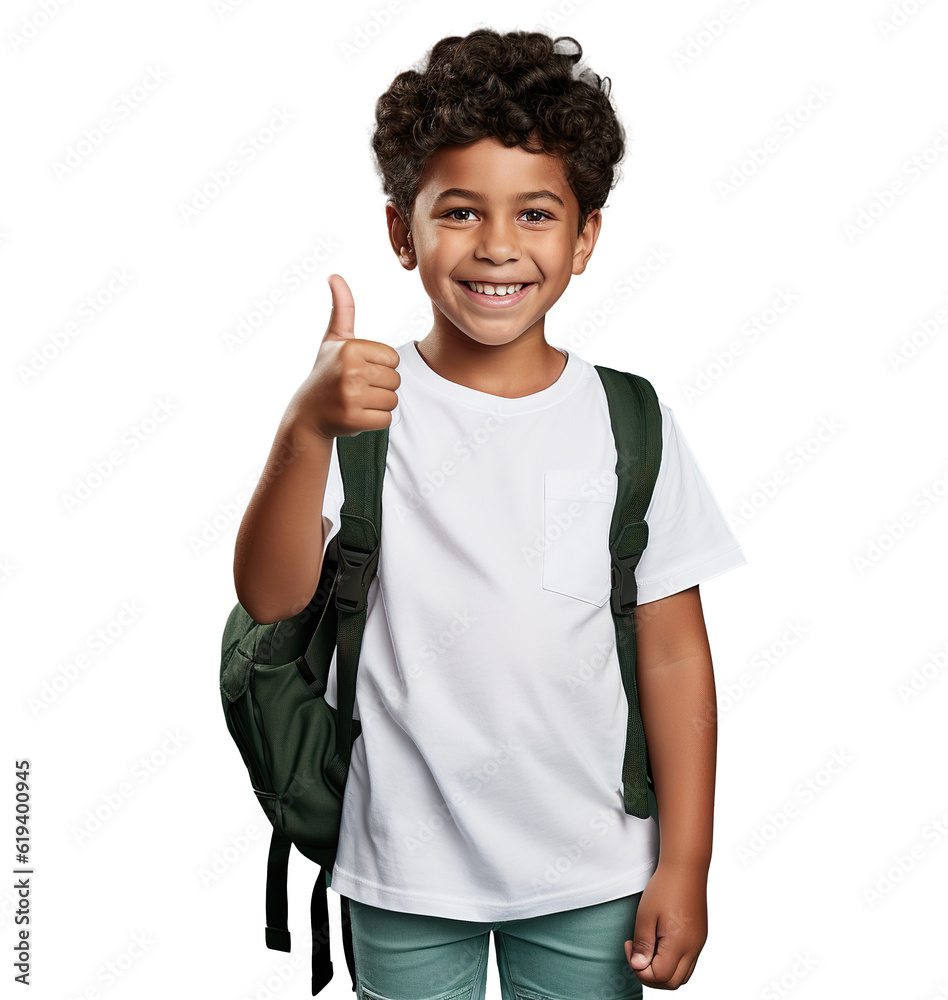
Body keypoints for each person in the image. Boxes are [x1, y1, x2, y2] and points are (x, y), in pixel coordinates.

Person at [234, 27, 747, 999]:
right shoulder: (361, 404)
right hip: (400, 863)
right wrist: (305, 425)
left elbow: (673, 651)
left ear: (585, 236)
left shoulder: (626, 419)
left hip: (595, 868)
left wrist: (686, 861)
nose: (499, 245)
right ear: (402, 231)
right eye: (460, 211)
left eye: (536, 213)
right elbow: (269, 597)